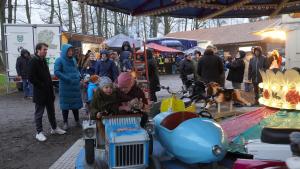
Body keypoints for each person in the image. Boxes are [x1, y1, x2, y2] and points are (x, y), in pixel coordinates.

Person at [28, 43, 66, 142]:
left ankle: (54, 128)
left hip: (48, 92)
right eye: (44, 49)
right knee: (39, 113)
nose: (46, 51)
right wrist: (42, 86)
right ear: (38, 50)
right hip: (40, 93)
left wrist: (51, 87)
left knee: (51, 111)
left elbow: (47, 76)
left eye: (46, 50)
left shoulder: (43, 60)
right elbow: (31, 78)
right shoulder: (33, 61)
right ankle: (39, 132)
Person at [54, 44, 83, 130]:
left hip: (75, 86)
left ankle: (77, 121)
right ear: (64, 51)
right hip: (65, 86)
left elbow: (76, 70)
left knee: (75, 105)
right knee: (65, 106)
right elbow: (57, 72)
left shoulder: (73, 60)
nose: (70, 52)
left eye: (71, 51)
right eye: (69, 51)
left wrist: (79, 76)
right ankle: (65, 122)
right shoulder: (59, 60)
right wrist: (67, 79)